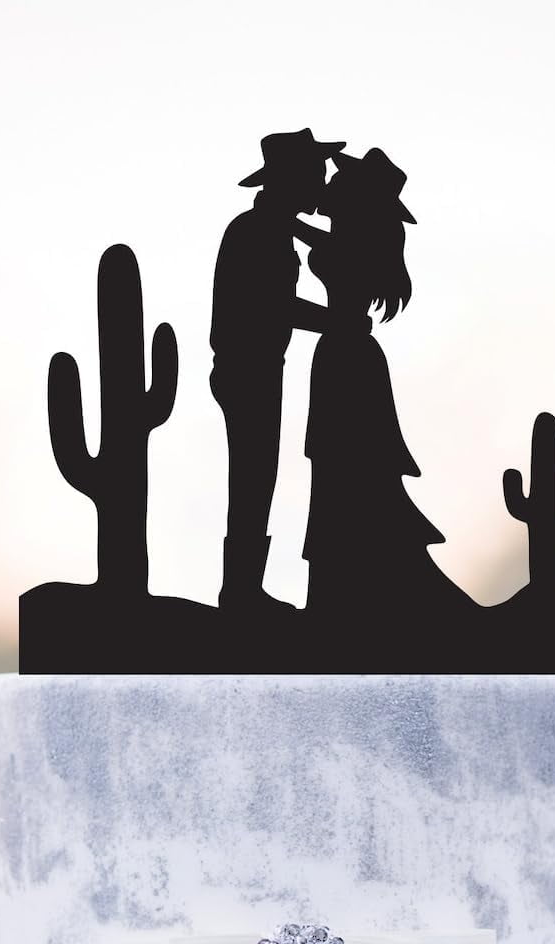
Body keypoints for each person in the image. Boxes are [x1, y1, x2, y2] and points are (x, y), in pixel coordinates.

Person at [293, 148, 477, 625]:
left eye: (340, 184)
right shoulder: (354, 239)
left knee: (345, 466)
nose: (330, 187)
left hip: (346, 357)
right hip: (342, 354)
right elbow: (321, 242)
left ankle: (345, 592)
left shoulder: (355, 245)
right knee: (338, 469)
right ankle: (339, 591)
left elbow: (327, 260)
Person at [210, 128, 361, 614]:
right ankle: (240, 592)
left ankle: (243, 588)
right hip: (247, 372)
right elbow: (274, 306)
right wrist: (335, 319)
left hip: (256, 370)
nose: (320, 183)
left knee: (259, 475)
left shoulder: (268, 229)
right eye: (314, 175)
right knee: (254, 475)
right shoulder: (259, 235)